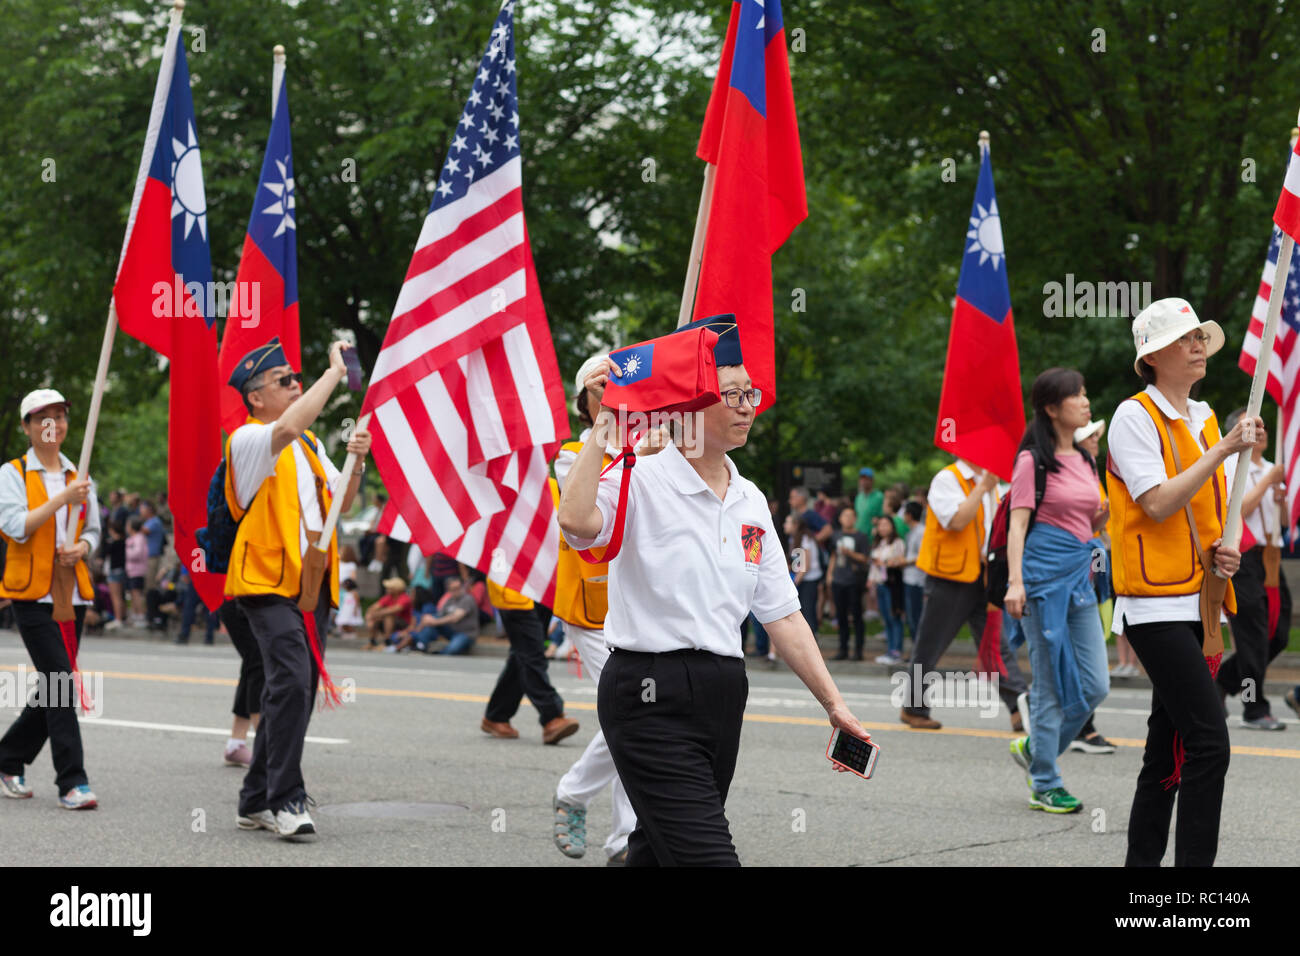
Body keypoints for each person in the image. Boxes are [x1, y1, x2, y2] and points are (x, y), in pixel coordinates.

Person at [558, 315, 871, 866]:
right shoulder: (640, 476)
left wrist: (835, 704)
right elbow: (579, 521)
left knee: (657, 852)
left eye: (750, 392)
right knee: (707, 856)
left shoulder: (750, 500)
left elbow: (782, 615)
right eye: (732, 394)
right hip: (648, 692)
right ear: (691, 403)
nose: (749, 403)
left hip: (723, 694)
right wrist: (606, 428)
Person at [1107, 297, 1255, 867]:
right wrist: (1223, 448)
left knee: (1165, 752)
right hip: (1153, 607)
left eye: (1200, 337)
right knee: (1209, 744)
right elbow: (1160, 502)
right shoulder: (1132, 416)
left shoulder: (1206, 414)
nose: (1199, 346)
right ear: (1154, 356)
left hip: (1200, 599)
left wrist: (1224, 550)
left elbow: (1207, 508)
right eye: (1186, 338)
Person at [224, 337, 371, 839]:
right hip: (265, 582)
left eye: (295, 379)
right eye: (284, 381)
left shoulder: (310, 446)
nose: (295, 386)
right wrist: (335, 373)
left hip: (310, 583)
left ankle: (254, 799)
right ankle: (286, 798)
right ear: (255, 396)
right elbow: (289, 425)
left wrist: (357, 461)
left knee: (297, 690)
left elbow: (343, 503)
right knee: (290, 680)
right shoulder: (248, 439)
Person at [1003, 368, 1112, 814]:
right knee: (1049, 690)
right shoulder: (1032, 461)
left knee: (1095, 686)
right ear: (1051, 408)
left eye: (1085, 393)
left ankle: (1034, 750)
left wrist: (1100, 520)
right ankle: (1045, 781)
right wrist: (1015, 583)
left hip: (1080, 580)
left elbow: (1088, 523)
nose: (1085, 402)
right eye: (1077, 396)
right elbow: (1018, 525)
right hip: (1041, 585)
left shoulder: (1086, 460)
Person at [550, 354, 638, 865]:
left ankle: (622, 835)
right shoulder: (573, 453)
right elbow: (587, 509)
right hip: (591, 609)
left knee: (634, 715)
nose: (612, 392)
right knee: (629, 713)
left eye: (622, 383)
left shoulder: (653, 444)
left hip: (639, 605)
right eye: (601, 385)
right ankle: (588, 804)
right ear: (583, 400)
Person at [0, 389, 101, 809]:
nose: (53, 424)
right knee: (61, 681)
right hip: (31, 594)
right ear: (27, 427)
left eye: (59, 416)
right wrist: (62, 497)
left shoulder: (80, 472)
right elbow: (16, 526)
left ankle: (8, 757)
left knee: (52, 685)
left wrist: (84, 549)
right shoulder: (13, 472)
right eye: (43, 417)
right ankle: (72, 781)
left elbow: (92, 532)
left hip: (71, 592)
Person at [900, 458, 1028, 730]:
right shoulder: (948, 479)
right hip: (949, 577)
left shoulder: (991, 483)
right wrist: (983, 487)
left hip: (981, 575)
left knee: (996, 643)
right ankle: (913, 707)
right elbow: (956, 521)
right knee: (930, 644)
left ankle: (1019, 706)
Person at [1216, 407, 1290, 730]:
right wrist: (1265, 486)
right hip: (1242, 555)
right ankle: (1253, 707)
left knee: (1279, 633)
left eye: (1262, 425)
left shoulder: (1273, 468)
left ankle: (1220, 683)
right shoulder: (1232, 465)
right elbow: (1239, 509)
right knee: (1252, 636)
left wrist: (1281, 498)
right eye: (1252, 425)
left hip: (1270, 556)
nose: (1260, 430)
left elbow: (1285, 523)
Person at [481, 578, 578, 743]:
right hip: (512, 586)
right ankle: (551, 716)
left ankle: (497, 715)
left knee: (524, 652)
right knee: (531, 653)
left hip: (542, 583)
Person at [220, 600, 262, 769]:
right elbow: (199, 571)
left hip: (251, 596)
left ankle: (236, 743)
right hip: (237, 595)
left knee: (254, 662)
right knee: (258, 660)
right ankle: (266, 747)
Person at [826, 505, 870, 661]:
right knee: (841, 616)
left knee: (857, 616)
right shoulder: (836, 535)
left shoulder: (861, 537)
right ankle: (842, 649)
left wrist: (850, 553)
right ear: (840, 519)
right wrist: (830, 575)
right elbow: (833, 556)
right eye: (845, 516)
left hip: (854, 581)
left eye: (851, 516)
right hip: (839, 579)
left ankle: (858, 650)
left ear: (855, 519)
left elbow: (865, 558)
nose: (848, 519)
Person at [392, 577, 479, 654]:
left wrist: (434, 621)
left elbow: (455, 618)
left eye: (458, 588)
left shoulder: (467, 599)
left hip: (465, 633)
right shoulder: (449, 600)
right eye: (453, 589)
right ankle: (421, 644)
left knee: (451, 650)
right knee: (430, 619)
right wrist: (430, 620)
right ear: (448, 590)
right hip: (450, 631)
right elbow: (439, 615)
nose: (456, 591)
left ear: (462, 587)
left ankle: (437, 651)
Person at [871, 515, 906, 665]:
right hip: (880, 583)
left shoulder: (897, 543)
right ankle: (889, 650)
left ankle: (896, 651)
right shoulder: (878, 543)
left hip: (892, 584)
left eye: (886, 524)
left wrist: (885, 563)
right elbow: (873, 564)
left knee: (894, 617)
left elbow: (900, 561)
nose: (883, 527)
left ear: (892, 526)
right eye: (880, 525)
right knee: (886, 618)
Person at [784, 511, 823, 634]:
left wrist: (794, 583)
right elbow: (797, 564)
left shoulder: (804, 538)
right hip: (803, 579)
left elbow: (805, 566)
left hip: (809, 580)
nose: (785, 525)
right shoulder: (795, 538)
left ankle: (812, 642)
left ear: (796, 525)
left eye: (787, 522)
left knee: (807, 612)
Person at [899, 501, 926, 642]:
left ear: (909, 515)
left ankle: (918, 660)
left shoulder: (921, 531)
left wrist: (904, 561)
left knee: (915, 617)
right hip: (909, 578)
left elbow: (922, 555)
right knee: (911, 618)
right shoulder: (912, 532)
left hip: (917, 580)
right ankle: (916, 656)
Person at [364, 577, 412, 649]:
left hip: (404, 623)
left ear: (397, 589)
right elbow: (373, 608)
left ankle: (387, 641)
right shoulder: (388, 597)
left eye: (389, 588)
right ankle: (372, 641)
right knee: (379, 617)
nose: (387, 589)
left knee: (388, 616)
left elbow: (393, 610)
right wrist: (369, 616)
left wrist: (375, 614)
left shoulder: (405, 598)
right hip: (391, 622)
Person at [124, 516, 148, 626]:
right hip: (131, 570)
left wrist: (126, 552)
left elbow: (137, 553)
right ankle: (135, 614)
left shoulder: (139, 538)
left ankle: (141, 615)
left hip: (137, 570)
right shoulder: (132, 538)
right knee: (133, 593)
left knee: (137, 593)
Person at [855, 468, 883, 533]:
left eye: (866, 479)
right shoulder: (858, 497)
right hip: (859, 534)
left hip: (873, 535)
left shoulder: (879, 496)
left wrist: (878, 521)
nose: (863, 481)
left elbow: (884, 516)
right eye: (862, 479)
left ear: (872, 480)